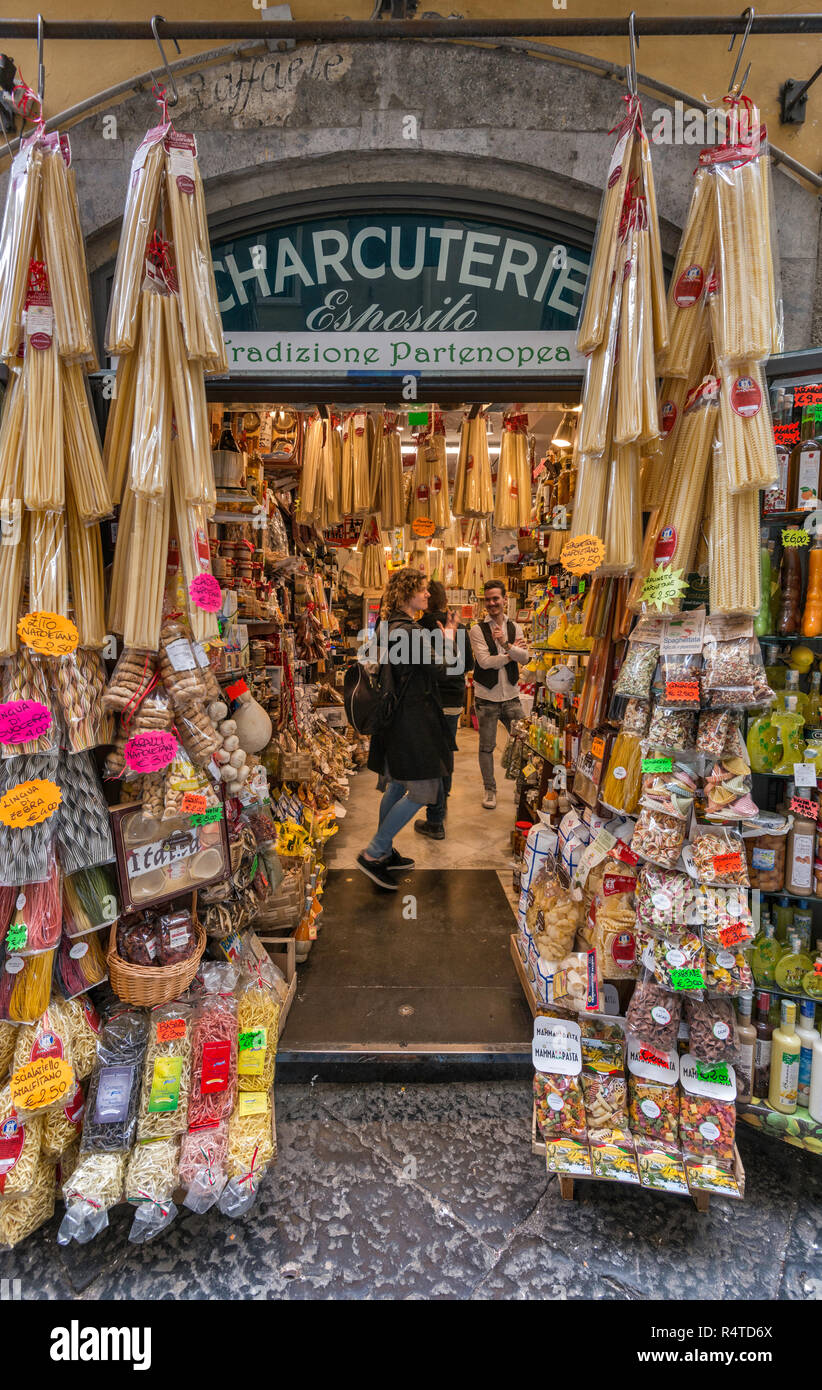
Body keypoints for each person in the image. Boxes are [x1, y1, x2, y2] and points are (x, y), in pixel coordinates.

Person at [357, 567, 458, 890]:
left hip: (399, 719)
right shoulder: (409, 632)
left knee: (398, 784)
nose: (428, 595)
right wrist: (448, 640)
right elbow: (443, 669)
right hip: (415, 721)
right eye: (423, 589)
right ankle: (373, 853)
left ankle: (384, 850)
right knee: (426, 790)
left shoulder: (389, 626)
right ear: (406, 593)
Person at [414, 580, 473, 840]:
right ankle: (442, 802)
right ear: (445, 600)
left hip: (429, 699)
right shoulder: (460, 627)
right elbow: (468, 663)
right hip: (454, 698)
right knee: (446, 752)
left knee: (432, 758)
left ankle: (435, 818)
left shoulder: (418, 627)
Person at [468, 578, 530, 810]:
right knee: (486, 746)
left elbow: (525, 658)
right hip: (487, 698)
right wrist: (511, 653)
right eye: (488, 600)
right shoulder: (477, 630)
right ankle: (490, 790)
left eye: (496, 598)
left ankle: (522, 787)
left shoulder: (515, 627)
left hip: (512, 695)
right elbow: (484, 662)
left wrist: (505, 645)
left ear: (505, 599)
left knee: (524, 743)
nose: (492, 603)